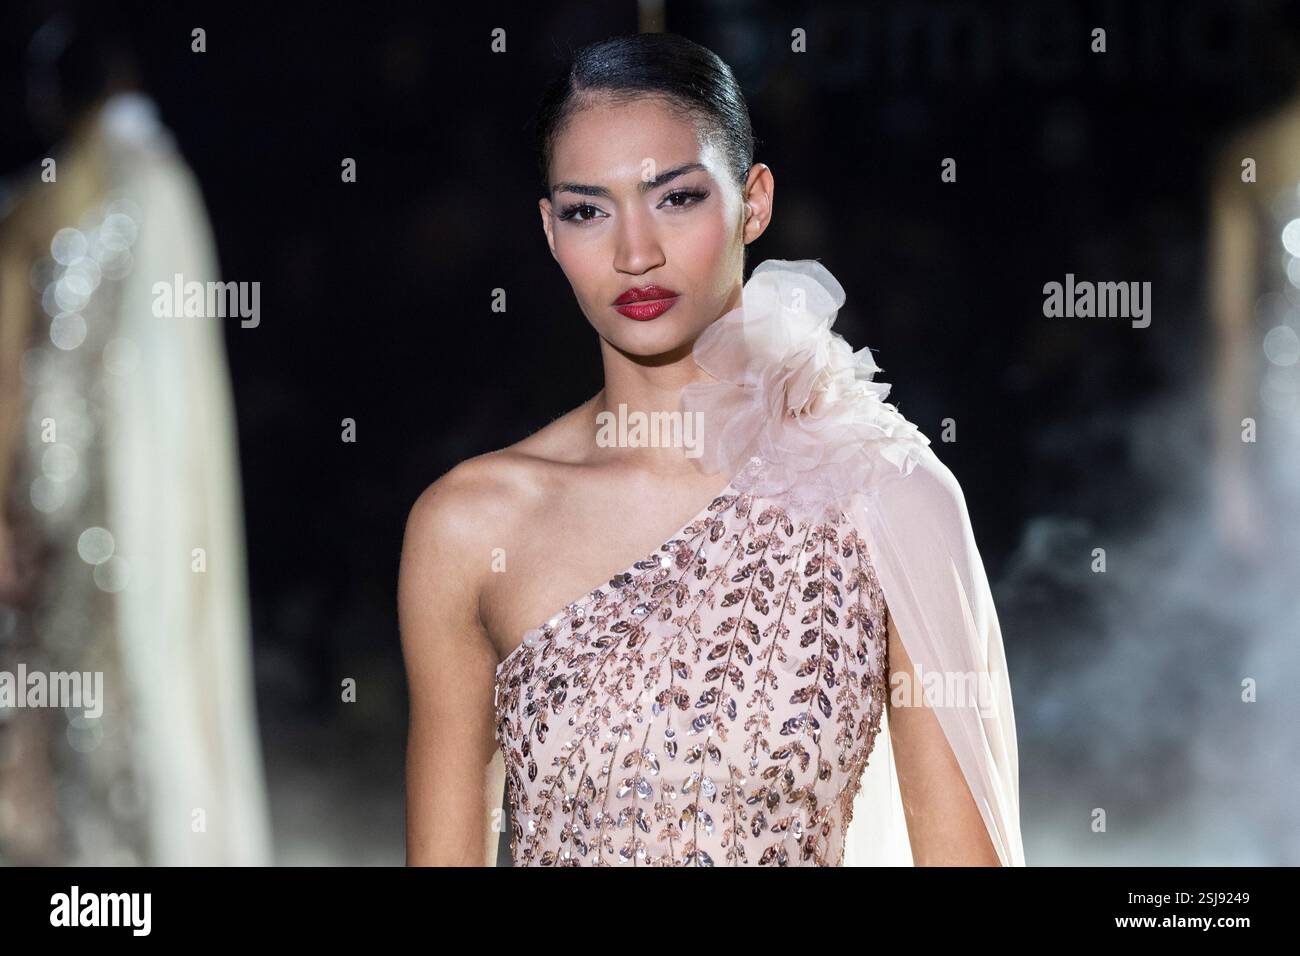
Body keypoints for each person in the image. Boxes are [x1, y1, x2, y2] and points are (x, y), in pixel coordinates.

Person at [399, 32, 1022, 867]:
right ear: (549, 232)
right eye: (589, 210)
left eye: (677, 198)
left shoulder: (883, 492)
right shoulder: (470, 526)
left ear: (754, 202)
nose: (634, 253)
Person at [0, 16, 271, 865]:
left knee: (67, 693)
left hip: (53, 485)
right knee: (130, 688)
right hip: (147, 500)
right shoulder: (164, 188)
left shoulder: (36, 206)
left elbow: (6, 374)